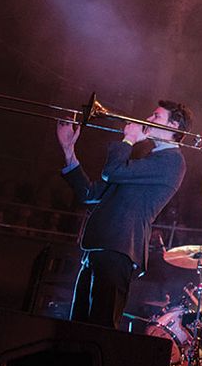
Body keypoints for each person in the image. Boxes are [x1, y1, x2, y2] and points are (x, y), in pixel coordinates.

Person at [57, 101, 190, 329]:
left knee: (101, 326)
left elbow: (112, 172)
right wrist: (69, 150)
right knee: (77, 325)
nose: (147, 119)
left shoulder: (173, 161)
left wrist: (128, 140)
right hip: (100, 246)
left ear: (173, 125)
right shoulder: (147, 160)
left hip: (120, 247)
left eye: (156, 116)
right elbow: (90, 194)